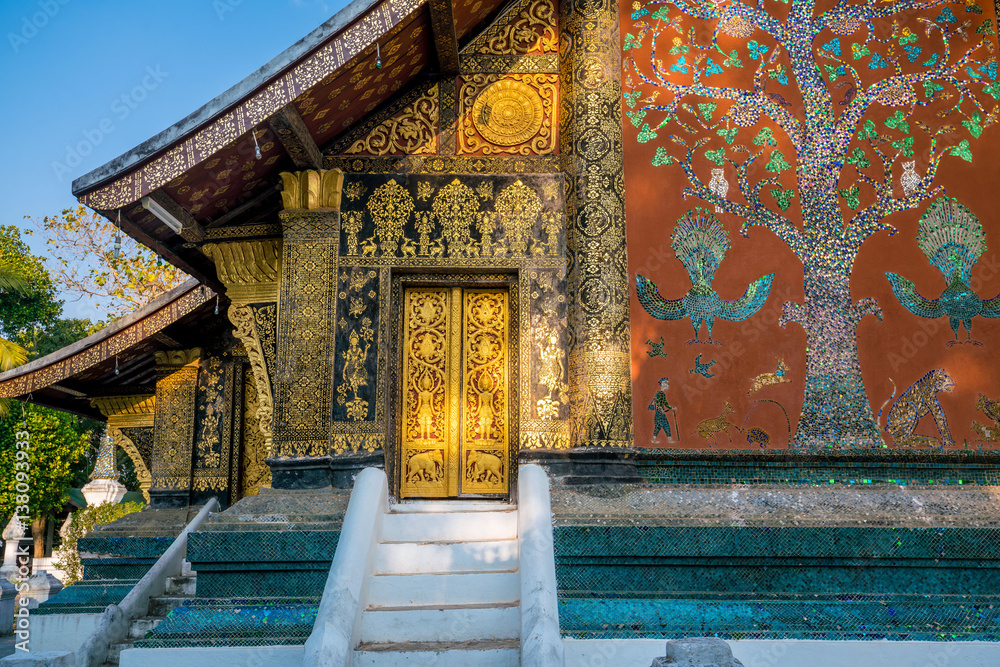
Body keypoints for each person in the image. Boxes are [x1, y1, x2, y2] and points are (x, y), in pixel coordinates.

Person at [649, 376, 675, 444]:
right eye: (665, 383)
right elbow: (657, 403)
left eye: (667, 383)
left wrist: (671, 408)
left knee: (659, 426)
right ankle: (668, 440)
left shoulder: (663, 394)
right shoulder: (659, 393)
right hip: (659, 413)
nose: (667, 384)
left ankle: (654, 439)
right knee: (665, 425)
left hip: (660, 412)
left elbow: (665, 403)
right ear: (662, 384)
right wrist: (661, 410)